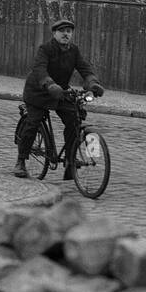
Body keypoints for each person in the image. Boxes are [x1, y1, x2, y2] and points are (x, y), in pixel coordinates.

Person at [17, 18, 103, 180]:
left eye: (69, 31)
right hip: (38, 92)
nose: (66, 34)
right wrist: (49, 84)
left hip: (59, 92)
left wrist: (93, 83)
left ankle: (70, 161)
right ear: (54, 33)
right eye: (62, 31)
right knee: (33, 123)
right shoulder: (45, 49)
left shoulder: (74, 51)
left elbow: (85, 68)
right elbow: (40, 70)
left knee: (74, 120)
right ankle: (21, 161)